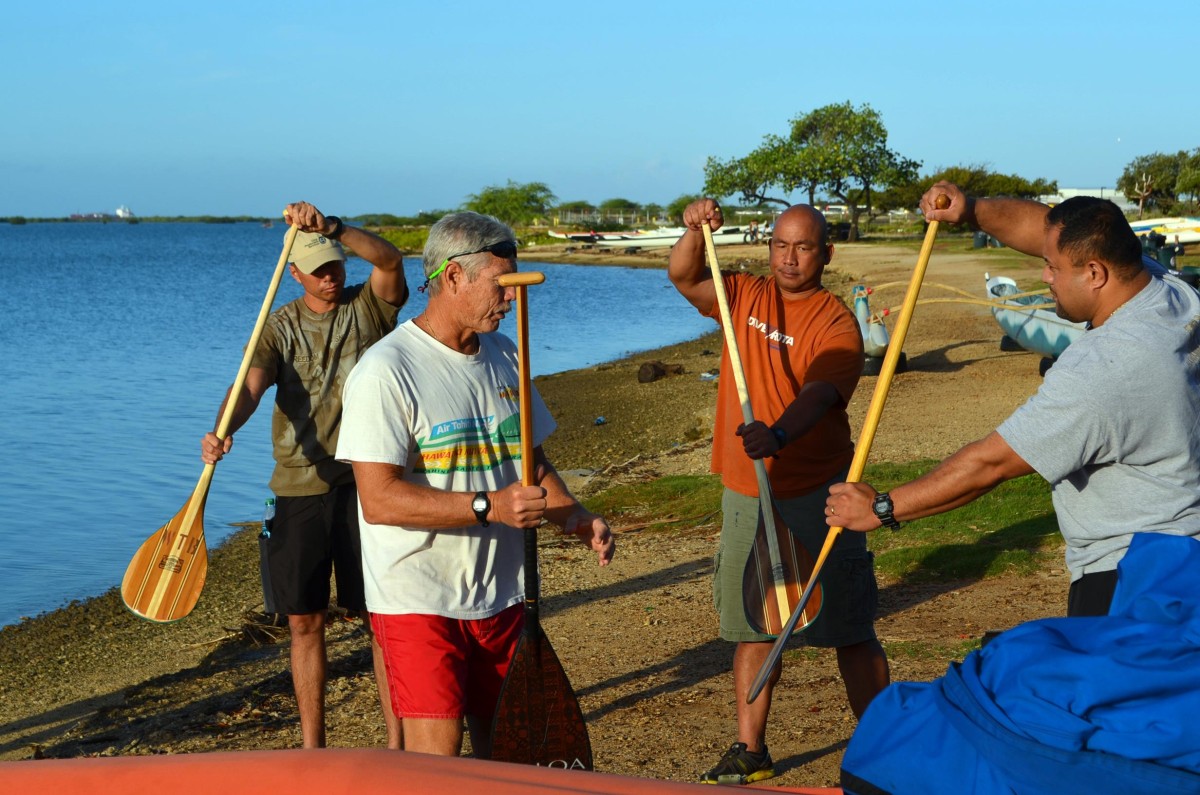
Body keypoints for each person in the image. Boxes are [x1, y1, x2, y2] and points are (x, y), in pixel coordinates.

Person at [826, 181, 1200, 618]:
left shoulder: (1103, 371)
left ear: (1095, 273)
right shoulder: (1166, 291)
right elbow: (1044, 226)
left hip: (1129, 583)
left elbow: (991, 464)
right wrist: (972, 210)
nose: (1043, 276)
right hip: (1185, 557)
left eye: (1052, 267)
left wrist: (881, 508)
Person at [335, 210, 615, 758]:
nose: (510, 298)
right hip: (417, 595)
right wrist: (491, 506)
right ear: (454, 277)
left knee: (502, 751)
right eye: (501, 284)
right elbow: (379, 498)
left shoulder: (507, 356)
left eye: (514, 283)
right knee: (437, 757)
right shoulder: (387, 370)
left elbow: (530, 466)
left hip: (501, 592)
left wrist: (575, 518)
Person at [668, 198, 889, 785]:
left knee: (849, 626)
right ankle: (751, 749)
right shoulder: (742, 293)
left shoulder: (836, 322)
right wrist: (694, 230)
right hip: (747, 488)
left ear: (826, 253)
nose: (790, 259)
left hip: (820, 490)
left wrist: (779, 433)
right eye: (780, 245)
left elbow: (820, 395)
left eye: (804, 247)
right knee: (754, 625)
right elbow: (685, 275)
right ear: (769, 248)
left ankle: (885, 744)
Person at [201, 201, 408, 749]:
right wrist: (226, 427)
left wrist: (333, 228)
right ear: (294, 273)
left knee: (381, 620)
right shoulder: (279, 325)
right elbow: (249, 386)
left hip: (370, 483)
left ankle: (398, 745)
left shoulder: (370, 309)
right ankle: (314, 747)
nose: (331, 276)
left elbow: (389, 260)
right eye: (318, 270)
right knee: (303, 622)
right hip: (298, 486)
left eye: (336, 265)